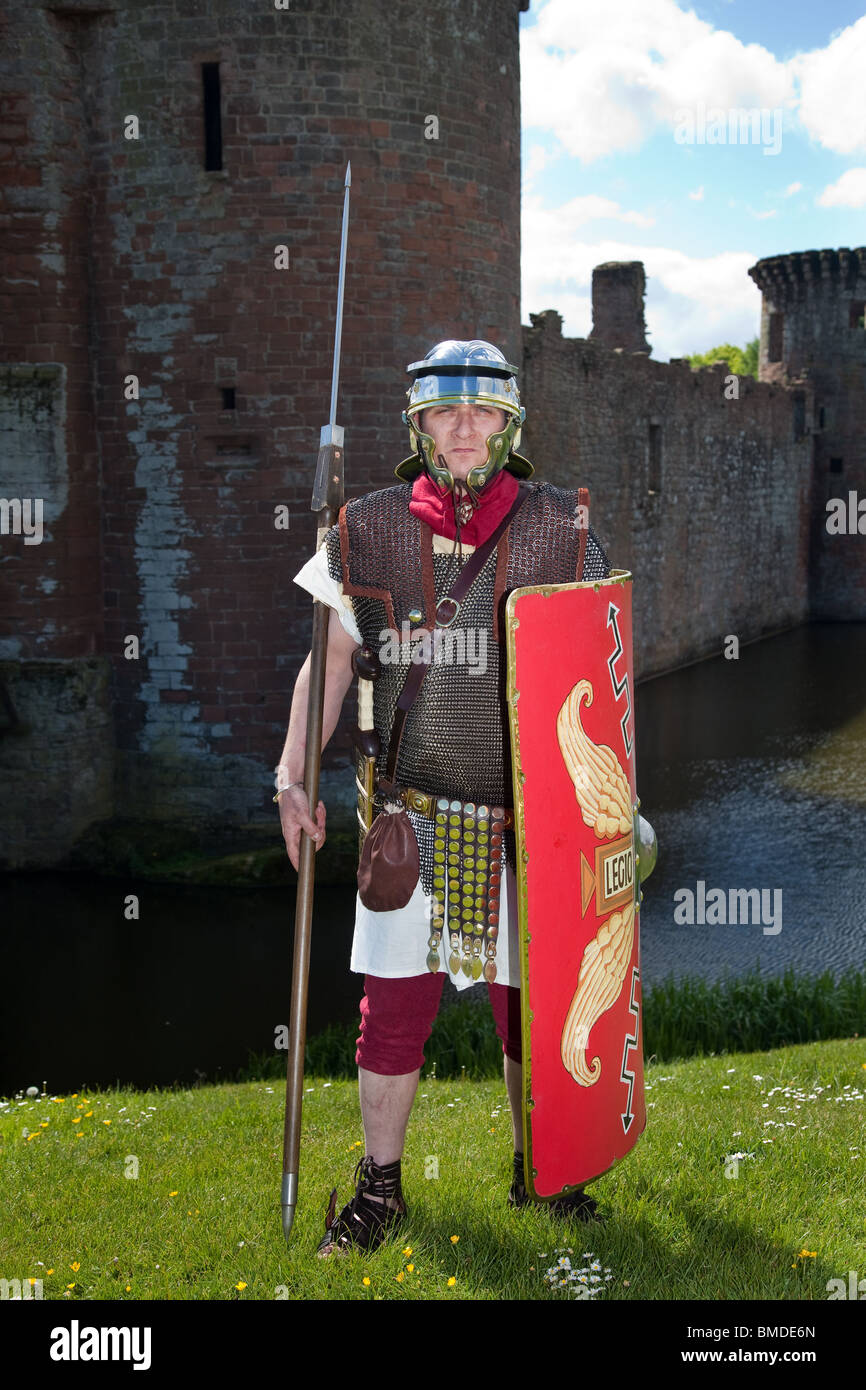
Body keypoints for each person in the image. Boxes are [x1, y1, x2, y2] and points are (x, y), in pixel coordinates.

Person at [276, 340, 610, 1256]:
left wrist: (606, 818)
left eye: (482, 411)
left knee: (530, 1012)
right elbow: (330, 664)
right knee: (393, 1013)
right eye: (445, 412)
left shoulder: (564, 530)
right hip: (408, 820)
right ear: (418, 424)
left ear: (510, 423)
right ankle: (381, 1191)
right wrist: (291, 776)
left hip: (530, 824)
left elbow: (601, 677)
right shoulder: (364, 528)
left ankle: (541, 1168)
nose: (464, 428)